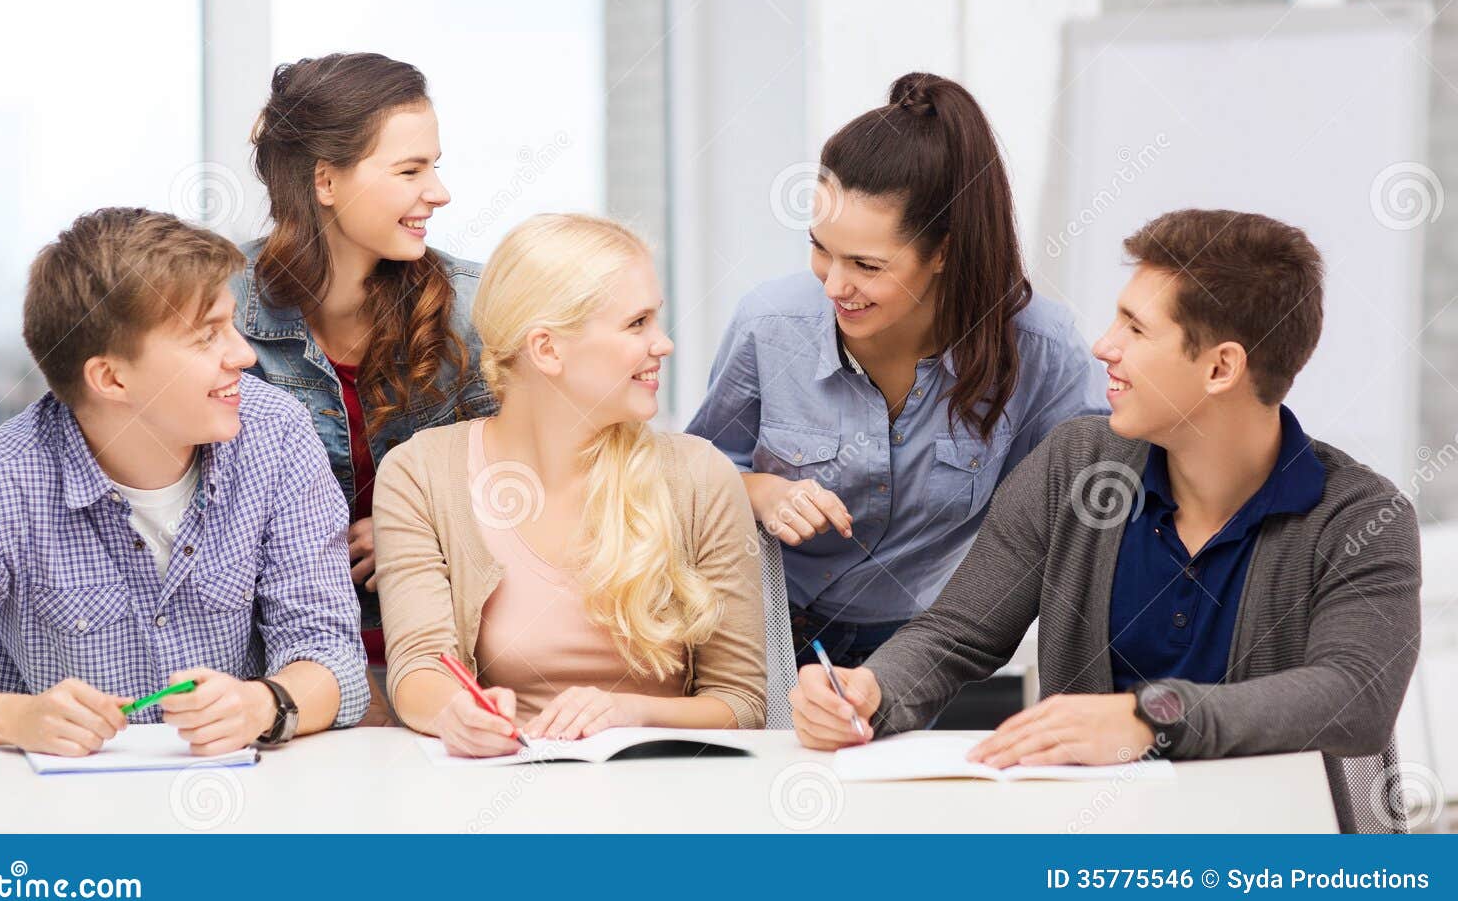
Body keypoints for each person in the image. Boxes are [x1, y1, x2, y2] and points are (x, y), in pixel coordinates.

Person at [789, 209, 1421, 833]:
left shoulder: (1360, 518)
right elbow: (958, 634)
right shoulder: (1076, 466)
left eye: (1136, 329)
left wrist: (1150, 718)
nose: (1103, 346)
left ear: (1221, 368)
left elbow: (1353, 696)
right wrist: (872, 689)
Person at [0, 209, 368, 755]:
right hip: (68, 818)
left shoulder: (277, 435)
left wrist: (264, 704)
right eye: (205, 337)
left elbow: (331, 653)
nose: (243, 354)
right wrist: (16, 718)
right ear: (110, 378)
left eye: (232, 324)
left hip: (243, 805)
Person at [688, 72, 1105, 669]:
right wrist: (763, 491)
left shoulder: (1041, 347)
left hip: (922, 649)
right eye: (820, 248)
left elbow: (1076, 515)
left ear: (944, 251)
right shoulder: (769, 323)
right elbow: (696, 477)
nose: (835, 284)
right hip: (763, 630)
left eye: (866, 264)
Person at [375, 214, 766, 756]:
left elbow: (741, 704)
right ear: (548, 349)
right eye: (637, 324)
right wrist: (455, 715)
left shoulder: (700, 476)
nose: (663, 344)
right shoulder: (419, 475)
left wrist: (631, 714)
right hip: (499, 786)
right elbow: (419, 668)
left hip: (666, 793)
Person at [234, 53, 494, 723]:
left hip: (458, 669)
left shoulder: (476, 307)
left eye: (435, 166)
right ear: (325, 180)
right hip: (279, 676)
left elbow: (552, 479)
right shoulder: (221, 313)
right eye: (410, 171)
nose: (438, 192)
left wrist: (426, 523)